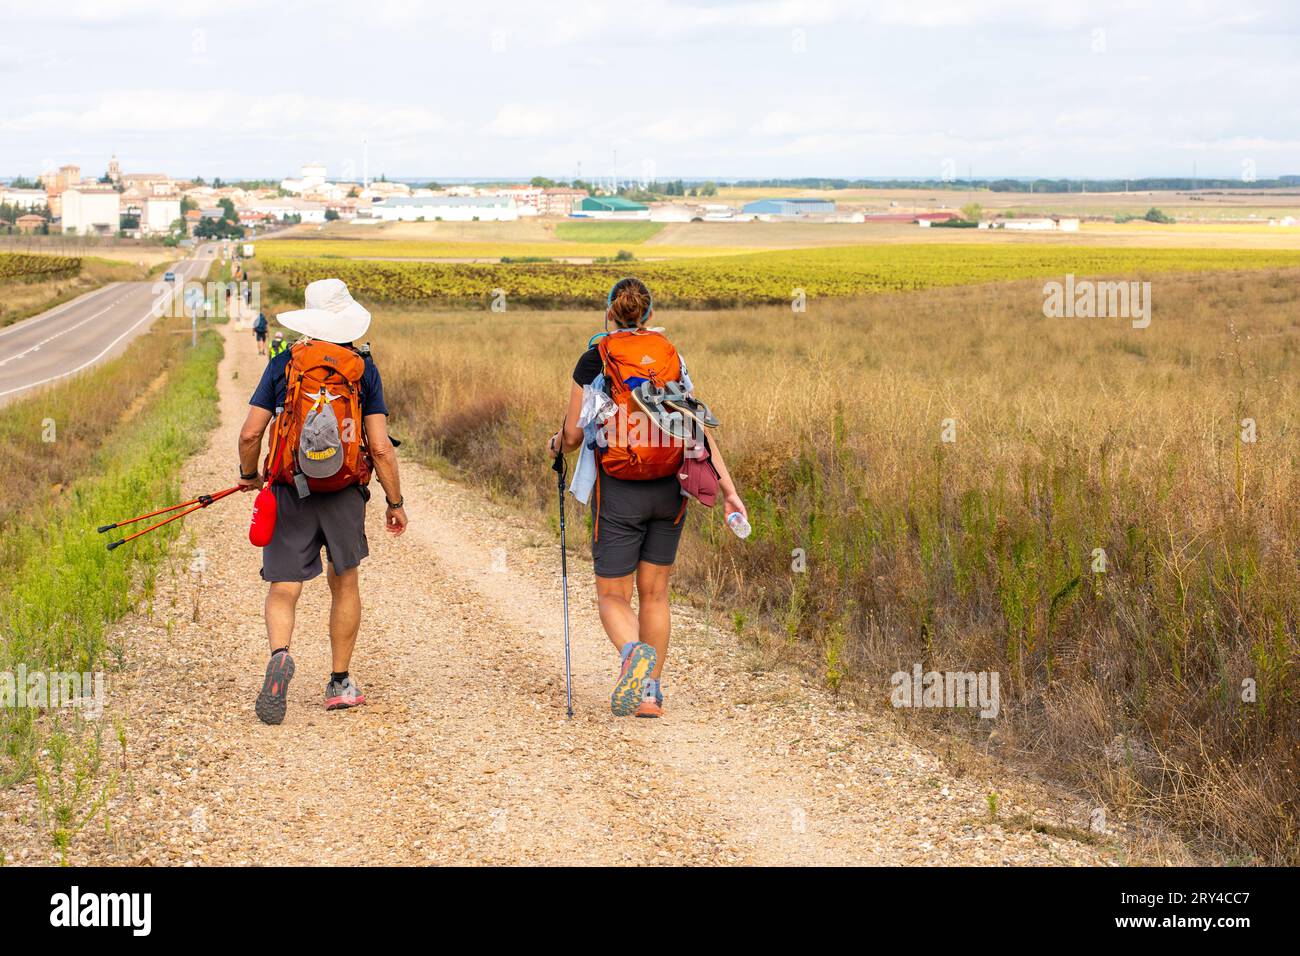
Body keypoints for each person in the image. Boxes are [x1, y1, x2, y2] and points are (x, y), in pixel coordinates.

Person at [546, 277, 746, 718]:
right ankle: (651, 693)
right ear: (648, 314)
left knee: (613, 596)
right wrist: (728, 490)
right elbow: (695, 427)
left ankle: (632, 653)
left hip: (620, 489)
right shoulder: (671, 358)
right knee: (654, 593)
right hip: (671, 487)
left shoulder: (594, 357)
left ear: (610, 313)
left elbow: (576, 435)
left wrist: (556, 444)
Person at [237, 278, 408, 725]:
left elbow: (250, 432)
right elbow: (381, 446)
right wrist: (395, 500)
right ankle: (339, 682)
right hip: (345, 491)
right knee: (345, 582)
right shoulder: (363, 368)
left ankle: (280, 655)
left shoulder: (283, 364)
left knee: (284, 584)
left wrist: (248, 476)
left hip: (288, 485)